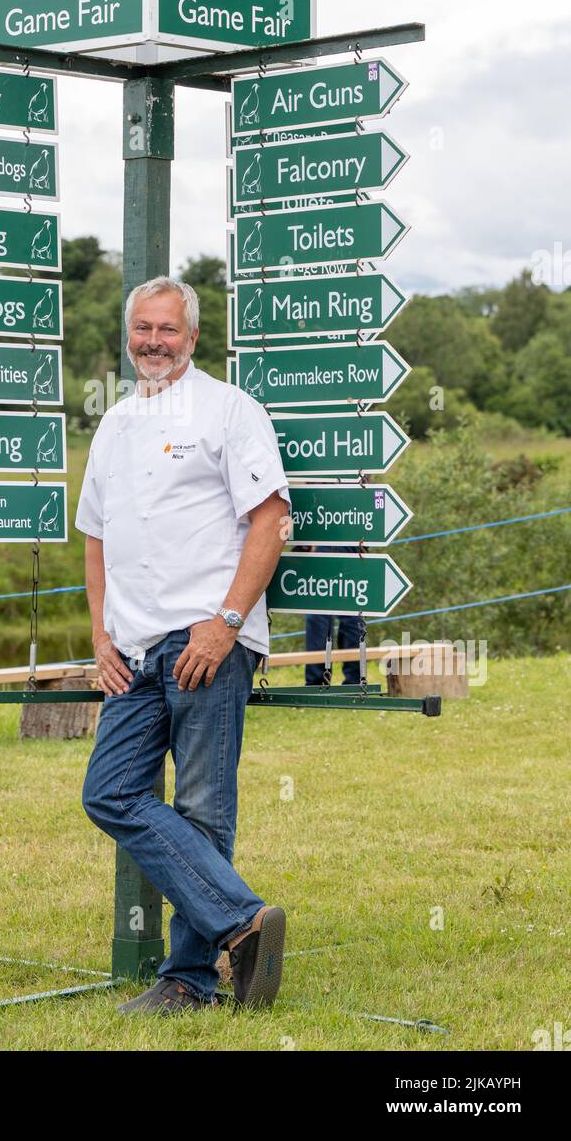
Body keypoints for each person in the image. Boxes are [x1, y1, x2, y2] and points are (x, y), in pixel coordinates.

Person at [75, 276, 293, 1015]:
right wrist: (99, 632)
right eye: (143, 329)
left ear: (192, 338)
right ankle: (241, 922)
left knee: (201, 806)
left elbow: (270, 521)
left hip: (206, 638)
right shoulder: (113, 425)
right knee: (109, 791)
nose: (153, 342)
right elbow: (96, 540)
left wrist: (225, 620)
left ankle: (187, 980)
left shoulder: (227, 410)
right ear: (127, 335)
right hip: (133, 650)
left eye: (168, 330)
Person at [303, 544, 363, 685]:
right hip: (354, 539)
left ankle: (317, 683)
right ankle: (354, 681)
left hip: (326, 539)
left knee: (319, 610)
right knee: (350, 608)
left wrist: (308, 544)